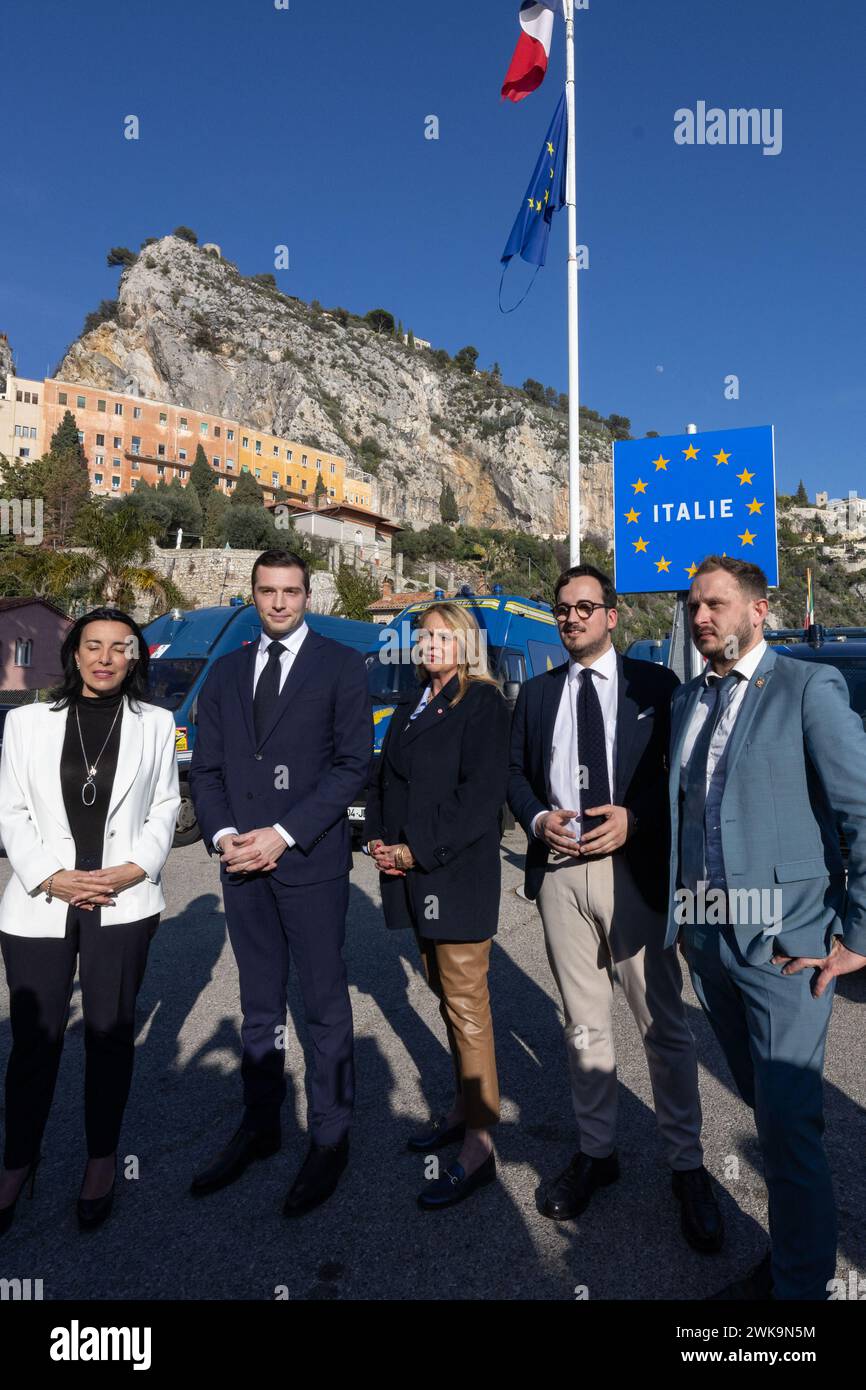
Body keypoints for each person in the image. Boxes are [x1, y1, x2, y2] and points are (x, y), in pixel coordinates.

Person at [508, 564, 722, 1251]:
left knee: (663, 1027)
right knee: (583, 1025)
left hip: (635, 872)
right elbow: (515, 774)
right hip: (563, 879)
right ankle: (597, 1154)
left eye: (585, 608)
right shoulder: (537, 694)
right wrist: (538, 820)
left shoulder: (655, 688)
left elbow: (684, 779)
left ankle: (688, 1168)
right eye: (563, 610)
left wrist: (635, 818)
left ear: (612, 616)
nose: (572, 619)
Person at [669, 555, 866, 1300]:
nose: (700, 619)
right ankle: (792, 1254)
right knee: (765, 1107)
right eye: (693, 607)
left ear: (758, 611)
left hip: (787, 949)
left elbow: (861, 813)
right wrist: (686, 926)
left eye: (715, 605)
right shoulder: (692, 699)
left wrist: (858, 936)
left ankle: (799, 1288)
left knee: (787, 1128)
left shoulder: (808, 688)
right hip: (710, 940)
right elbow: (692, 817)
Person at [188, 548, 372, 1217]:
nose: (278, 603)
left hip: (309, 865)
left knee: (322, 1006)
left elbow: (352, 766)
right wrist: (221, 836)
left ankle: (330, 1137)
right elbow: (205, 770)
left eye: (290, 592)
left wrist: (283, 833)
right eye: (266, 591)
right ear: (252, 593)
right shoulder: (228, 671)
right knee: (260, 1004)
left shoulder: (341, 666)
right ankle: (262, 1126)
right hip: (240, 866)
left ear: (308, 595)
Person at [0, 607, 180, 1234]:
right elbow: (12, 809)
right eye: (92, 646)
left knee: (108, 1034)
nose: (105, 658)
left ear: (135, 657)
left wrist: (135, 869)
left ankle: (101, 1160)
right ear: (73, 653)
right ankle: (18, 1161)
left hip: (120, 899)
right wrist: (51, 876)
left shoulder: (156, 723)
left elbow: (166, 803)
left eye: (119, 648)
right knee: (34, 1041)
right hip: (39, 900)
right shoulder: (25, 723)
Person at [364, 602, 511, 1209]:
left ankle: (480, 1142)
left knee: (467, 1007)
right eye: (424, 636)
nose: (430, 644)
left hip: (450, 875)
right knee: (446, 997)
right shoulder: (413, 703)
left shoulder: (482, 704)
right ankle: (460, 1108)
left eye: (444, 636)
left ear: (468, 643)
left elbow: (480, 800)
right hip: (411, 873)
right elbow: (381, 780)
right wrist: (373, 834)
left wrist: (411, 850)